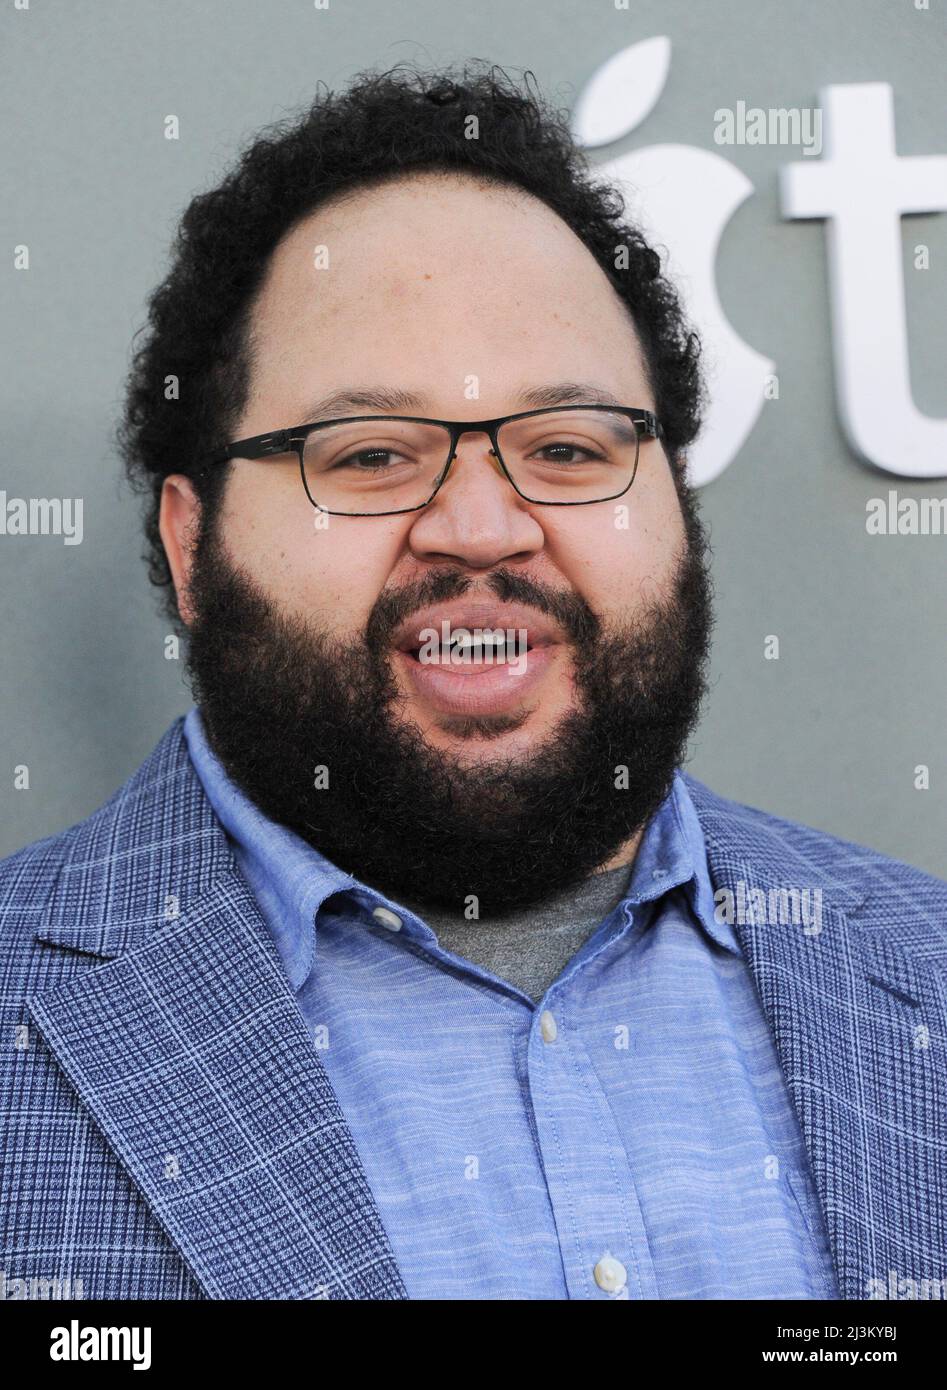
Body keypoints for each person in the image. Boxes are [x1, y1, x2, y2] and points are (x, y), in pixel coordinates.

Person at [2, 63, 945, 1303]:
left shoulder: (921, 966)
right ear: (192, 546)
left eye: (565, 447)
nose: (484, 525)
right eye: (373, 455)